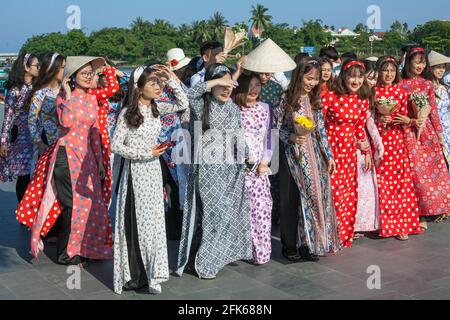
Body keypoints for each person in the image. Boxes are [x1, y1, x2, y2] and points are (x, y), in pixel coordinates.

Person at [19, 56, 113, 266]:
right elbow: (66, 121)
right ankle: (66, 253)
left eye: (91, 73)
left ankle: (88, 247)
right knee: (73, 205)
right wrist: (68, 93)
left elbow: (94, 133)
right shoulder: (61, 98)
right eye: (84, 74)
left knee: (90, 204)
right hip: (65, 156)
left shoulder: (91, 99)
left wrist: (99, 161)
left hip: (87, 157)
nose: (89, 77)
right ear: (73, 77)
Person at [112, 64, 188, 294]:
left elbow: (183, 103)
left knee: (155, 224)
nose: (158, 87)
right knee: (137, 224)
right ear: (139, 86)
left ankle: (154, 274)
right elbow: (116, 145)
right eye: (153, 82)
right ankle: (135, 274)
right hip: (135, 173)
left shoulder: (158, 107)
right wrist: (145, 153)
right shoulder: (128, 113)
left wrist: (171, 78)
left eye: (159, 83)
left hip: (154, 172)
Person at [177, 63, 253, 279]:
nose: (226, 88)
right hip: (207, 171)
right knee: (212, 215)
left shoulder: (232, 108)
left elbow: (238, 134)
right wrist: (214, 82)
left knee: (226, 215)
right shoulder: (201, 104)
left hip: (230, 169)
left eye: (230, 84)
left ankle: (214, 258)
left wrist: (248, 156)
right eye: (222, 84)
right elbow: (188, 93)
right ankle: (203, 263)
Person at [275, 57, 340, 261]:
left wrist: (328, 156)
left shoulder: (315, 100)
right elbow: (274, 128)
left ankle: (308, 243)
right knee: (290, 200)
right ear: (298, 76)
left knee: (313, 199)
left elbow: (320, 130)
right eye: (308, 78)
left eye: (315, 79)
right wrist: (291, 136)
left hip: (314, 158)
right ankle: (289, 245)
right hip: (291, 156)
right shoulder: (284, 99)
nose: (311, 83)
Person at [322, 59, 372, 248]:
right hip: (331, 151)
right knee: (332, 193)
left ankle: (342, 235)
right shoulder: (330, 96)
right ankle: (327, 236)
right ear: (344, 76)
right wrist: (324, 152)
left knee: (347, 193)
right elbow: (320, 125)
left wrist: (366, 151)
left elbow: (360, 128)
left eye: (360, 77)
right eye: (352, 76)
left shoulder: (362, 99)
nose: (356, 81)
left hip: (349, 154)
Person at [399, 46, 450, 229]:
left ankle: (437, 207)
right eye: (417, 62)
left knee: (435, 169)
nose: (420, 66)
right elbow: (399, 110)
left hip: (427, 131)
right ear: (409, 62)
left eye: (423, 63)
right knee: (415, 172)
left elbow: (433, 111)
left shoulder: (427, 84)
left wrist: (439, 134)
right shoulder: (401, 84)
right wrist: (411, 121)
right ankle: (418, 212)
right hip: (408, 130)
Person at [374, 56, 422, 240]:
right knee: (381, 183)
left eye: (392, 71)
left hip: (396, 142)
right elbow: (367, 118)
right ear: (379, 71)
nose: (388, 74)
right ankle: (384, 224)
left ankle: (403, 224)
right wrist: (379, 120)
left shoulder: (401, 93)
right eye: (385, 70)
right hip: (379, 141)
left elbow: (411, 119)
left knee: (400, 184)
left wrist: (407, 120)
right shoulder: (372, 92)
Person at [235, 73, 273, 265]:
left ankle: (261, 252)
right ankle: (242, 250)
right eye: (250, 85)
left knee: (261, 210)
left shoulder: (265, 108)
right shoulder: (233, 109)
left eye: (257, 84)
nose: (254, 89)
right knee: (241, 211)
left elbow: (269, 138)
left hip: (259, 169)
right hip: (238, 169)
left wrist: (265, 161)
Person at [0, 53, 39, 202]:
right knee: (23, 175)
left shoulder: (38, 88)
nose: (39, 68)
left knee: (35, 173)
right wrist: (3, 142)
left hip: (36, 136)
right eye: (36, 66)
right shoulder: (14, 91)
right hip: (20, 139)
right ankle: (23, 210)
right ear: (26, 67)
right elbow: (8, 117)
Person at [354, 60, 384, 238]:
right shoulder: (354, 96)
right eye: (369, 77)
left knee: (367, 185)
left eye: (374, 78)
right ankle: (355, 224)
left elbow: (370, 124)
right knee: (357, 184)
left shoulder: (369, 96)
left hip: (365, 144)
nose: (372, 81)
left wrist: (379, 145)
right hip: (355, 145)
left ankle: (367, 223)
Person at [24, 53, 66, 169]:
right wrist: (39, 143)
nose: (65, 70)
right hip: (45, 143)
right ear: (52, 68)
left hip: (64, 143)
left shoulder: (66, 91)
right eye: (62, 67)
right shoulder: (40, 93)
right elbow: (31, 121)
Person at [425, 51, 450, 171]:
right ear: (431, 68)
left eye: (443, 67)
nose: (442, 70)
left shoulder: (444, 88)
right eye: (438, 67)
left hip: (448, 131)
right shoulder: (426, 88)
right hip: (434, 132)